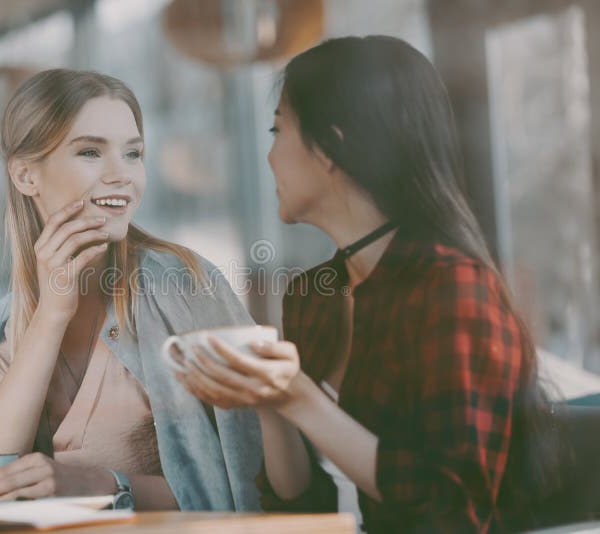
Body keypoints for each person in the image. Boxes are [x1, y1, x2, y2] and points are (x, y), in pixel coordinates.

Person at [175, 36, 562, 532]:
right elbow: (302, 509)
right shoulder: (314, 294)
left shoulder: (453, 289)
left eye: (277, 130)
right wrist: (267, 402)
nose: (269, 157)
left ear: (331, 146)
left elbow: (454, 514)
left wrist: (300, 399)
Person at [0, 69, 262, 511]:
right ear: (26, 176)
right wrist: (51, 317)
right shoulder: (12, 322)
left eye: (133, 153)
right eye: (90, 152)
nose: (122, 175)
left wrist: (103, 484)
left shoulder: (185, 285)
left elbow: (255, 483)